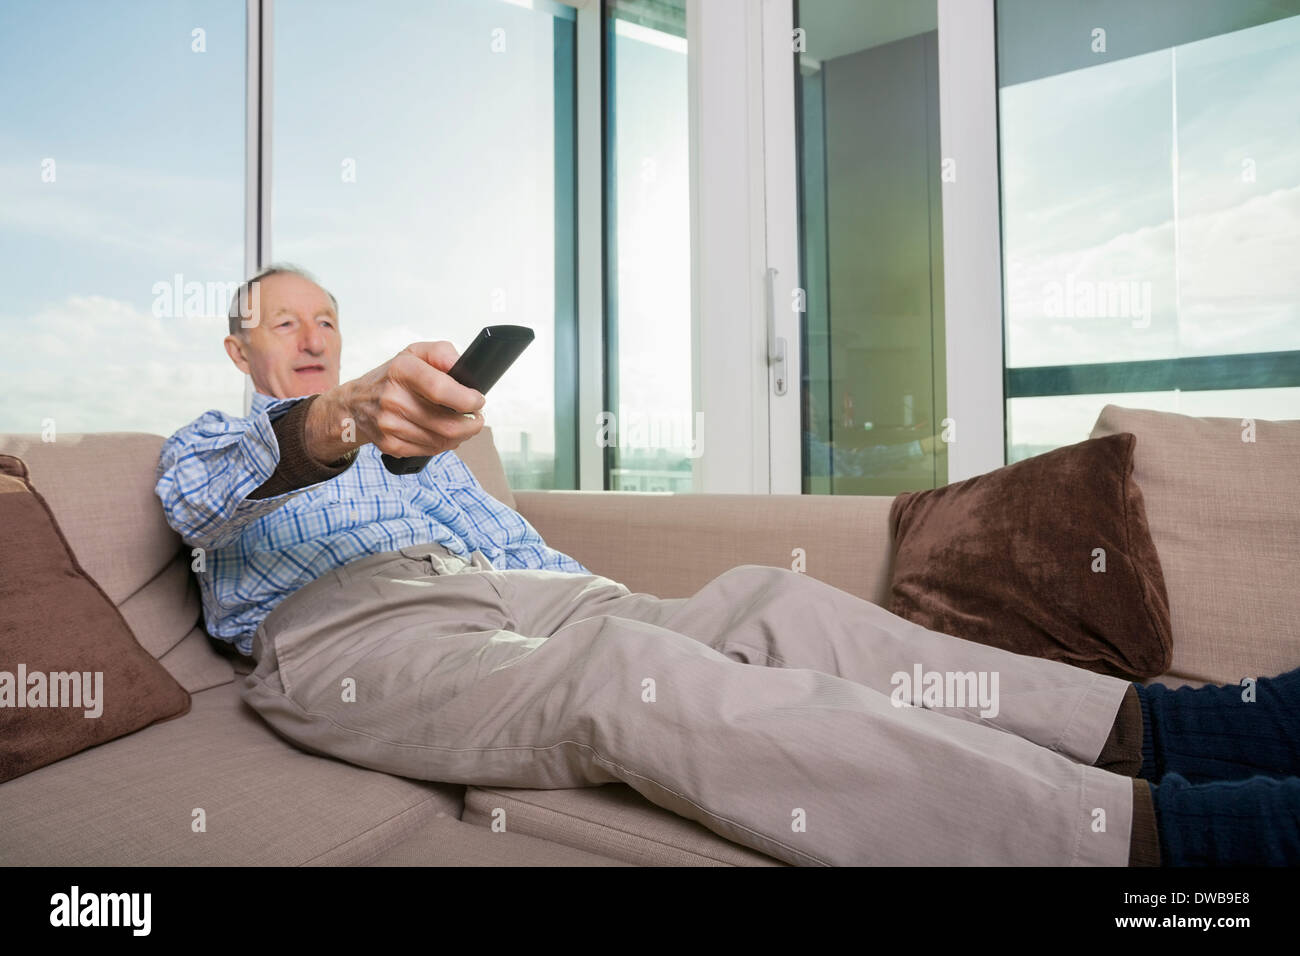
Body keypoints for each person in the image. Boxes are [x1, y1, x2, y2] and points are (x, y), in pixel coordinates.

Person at [155, 264, 1300, 867]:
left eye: (329, 321)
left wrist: (607, 593)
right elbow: (214, 501)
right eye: (285, 323)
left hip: (532, 598)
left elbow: (525, 556)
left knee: (769, 601)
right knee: (626, 677)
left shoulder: (432, 450)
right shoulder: (218, 438)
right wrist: (331, 425)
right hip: (350, 630)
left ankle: (1177, 735)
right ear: (238, 345)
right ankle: (1183, 841)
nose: (313, 339)